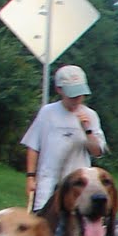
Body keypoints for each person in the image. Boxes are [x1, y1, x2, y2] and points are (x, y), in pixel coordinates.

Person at [22, 63, 107, 212]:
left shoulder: (91, 115)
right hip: (48, 181)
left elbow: (97, 152)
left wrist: (87, 130)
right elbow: (33, 146)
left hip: (78, 184)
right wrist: (30, 177)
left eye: (80, 94)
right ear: (59, 89)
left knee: (74, 218)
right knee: (44, 218)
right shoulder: (47, 112)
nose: (77, 99)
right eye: (72, 94)